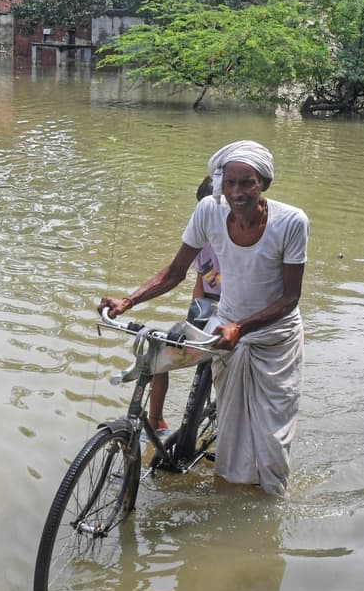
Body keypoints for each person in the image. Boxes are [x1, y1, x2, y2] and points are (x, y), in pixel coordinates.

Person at [99, 140, 307, 496]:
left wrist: (242, 327)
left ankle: (271, 500)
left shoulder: (291, 222)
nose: (237, 192)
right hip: (223, 329)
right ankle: (220, 480)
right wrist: (128, 301)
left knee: (272, 436)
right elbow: (176, 271)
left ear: (264, 184)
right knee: (227, 422)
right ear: (219, 184)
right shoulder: (208, 212)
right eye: (229, 183)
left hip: (274, 337)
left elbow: (290, 297)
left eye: (247, 183)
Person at [147, 176, 220, 440]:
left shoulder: (241, 238)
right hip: (208, 306)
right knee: (160, 355)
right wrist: (196, 317)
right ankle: (155, 420)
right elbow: (200, 278)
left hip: (237, 313)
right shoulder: (199, 238)